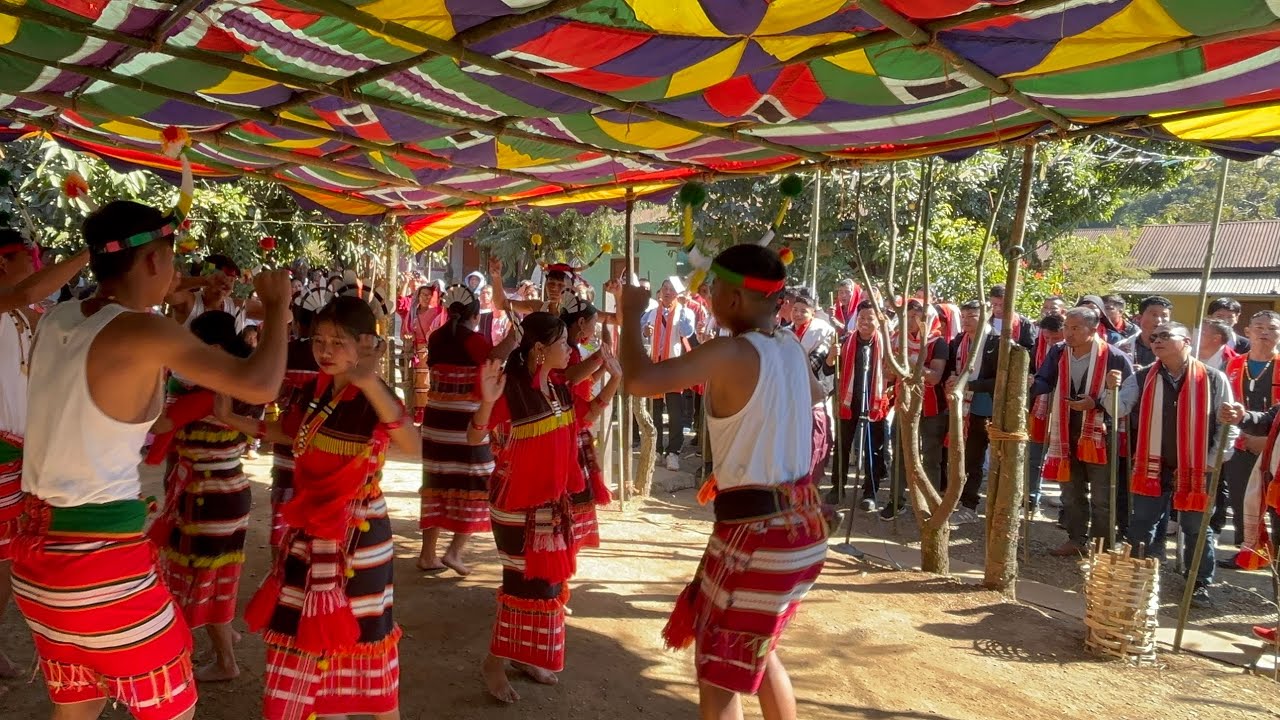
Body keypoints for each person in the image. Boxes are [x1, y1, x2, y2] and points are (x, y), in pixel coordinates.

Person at [13, 199, 292, 720]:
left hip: (39, 559)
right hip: (100, 564)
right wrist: (277, 308)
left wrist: (177, 306)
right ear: (151, 262)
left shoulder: (59, 318)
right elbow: (260, 383)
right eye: (170, 257)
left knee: (78, 704)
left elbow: (121, 347)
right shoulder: (144, 332)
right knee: (172, 706)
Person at [619, 243, 827, 720]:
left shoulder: (731, 351)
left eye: (713, 288)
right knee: (759, 649)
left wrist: (630, 316)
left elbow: (639, 380)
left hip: (760, 536)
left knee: (719, 672)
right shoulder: (792, 347)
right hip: (801, 527)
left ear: (732, 299)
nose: (707, 296)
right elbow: (809, 396)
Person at [224, 296, 417, 720]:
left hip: (357, 539)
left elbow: (413, 447)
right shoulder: (316, 389)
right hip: (310, 531)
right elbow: (291, 434)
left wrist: (368, 382)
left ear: (365, 343)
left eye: (338, 342)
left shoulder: (371, 395)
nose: (325, 351)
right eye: (319, 340)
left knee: (359, 633)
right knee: (306, 632)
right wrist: (233, 420)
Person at [468, 313, 612, 703]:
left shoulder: (559, 386)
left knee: (547, 589)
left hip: (551, 503)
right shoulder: (511, 390)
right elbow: (474, 434)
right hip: (516, 507)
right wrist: (486, 402)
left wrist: (613, 378)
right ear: (539, 351)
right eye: (563, 343)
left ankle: (524, 657)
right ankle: (493, 663)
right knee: (523, 588)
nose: (569, 349)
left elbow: (584, 419)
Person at [147, 311, 258, 683]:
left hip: (210, 498)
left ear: (211, 348)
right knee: (213, 579)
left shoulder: (207, 393)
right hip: (225, 493)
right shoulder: (237, 383)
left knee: (203, 581)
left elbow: (160, 426)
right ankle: (222, 649)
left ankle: (224, 659)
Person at [0, 230, 89, 680]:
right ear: (3, 263)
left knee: (4, 557)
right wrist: (97, 249)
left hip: (17, 455)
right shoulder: (9, 301)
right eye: (30, 258)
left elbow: (59, 324)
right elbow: (30, 290)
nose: (38, 265)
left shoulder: (24, 314)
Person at [1119, 321, 1236, 608]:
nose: (1156, 340)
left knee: (1196, 527)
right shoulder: (1143, 376)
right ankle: (1138, 576)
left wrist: (1212, 460)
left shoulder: (1213, 378)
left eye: (1165, 336)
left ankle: (1199, 584)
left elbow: (1227, 425)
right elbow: (1118, 408)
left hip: (1197, 466)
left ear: (1185, 341)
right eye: (1154, 336)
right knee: (1143, 522)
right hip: (1153, 464)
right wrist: (1111, 389)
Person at [1029, 307, 1133, 556]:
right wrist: (1031, 383)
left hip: (1099, 433)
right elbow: (1045, 379)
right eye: (1066, 327)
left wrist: (1096, 402)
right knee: (1070, 490)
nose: (1068, 333)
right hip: (1064, 428)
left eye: (1075, 328)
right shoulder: (1058, 351)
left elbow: (1128, 398)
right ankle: (1076, 538)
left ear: (1093, 329)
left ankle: (1102, 545)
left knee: (1101, 494)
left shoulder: (1115, 357)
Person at [418, 285, 495, 576]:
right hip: (466, 426)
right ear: (474, 316)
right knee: (477, 484)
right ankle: (454, 551)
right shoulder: (475, 341)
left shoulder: (437, 337)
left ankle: (427, 555)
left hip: (436, 423)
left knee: (435, 484)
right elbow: (494, 364)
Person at [560, 294, 622, 550]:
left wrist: (602, 367)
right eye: (594, 323)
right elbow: (576, 387)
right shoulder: (570, 351)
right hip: (568, 433)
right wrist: (611, 374)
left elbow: (582, 384)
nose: (595, 329)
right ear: (582, 323)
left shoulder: (568, 348)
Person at [1218, 310, 1280, 551]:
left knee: (1274, 503)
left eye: (1272, 328)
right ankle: (1248, 550)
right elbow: (1222, 402)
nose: (1265, 332)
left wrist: (1267, 440)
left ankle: (1274, 553)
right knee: (1241, 497)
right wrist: (1245, 433)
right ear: (1247, 331)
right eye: (1259, 327)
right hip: (1240, 442)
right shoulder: (1232, 364)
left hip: (1275, 446)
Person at [885, 298, 950, 518]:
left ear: (926, 319)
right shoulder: (897, 340)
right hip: (904, 403)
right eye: (907, 317)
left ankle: (930, 503)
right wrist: (891, 362)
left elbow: (934, 377)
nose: (911, 321)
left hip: (931, 407)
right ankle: (896, 500)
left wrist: (912, 361)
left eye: (915, 317)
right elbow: (889, 374)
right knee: (900, 453)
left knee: (931, 456)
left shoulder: (937, 343)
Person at [267, 298, 320, 551]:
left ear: (298, 324)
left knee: (283, 510)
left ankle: (277, 573)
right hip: (320, 448)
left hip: (286, 442)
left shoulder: (286, 353)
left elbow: (272, 394)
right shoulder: (334, 359)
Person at [943, 300, 1001, 525]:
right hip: (964, 407)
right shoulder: (959, 340)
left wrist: (969, 384)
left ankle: (987, 506)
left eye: (972, 316)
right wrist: (952, 380)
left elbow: (1000, 379)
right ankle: (965, 503)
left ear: (985, 316)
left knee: (990, 459)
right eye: (964, 316)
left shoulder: (996, 342)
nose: (966, 321)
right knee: (967, 457)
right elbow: (952, 368)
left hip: (988, 408)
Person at [829, 301, 890, 510]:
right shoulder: (845, 340)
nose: (864, 322)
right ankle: (837, 487)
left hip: (875, 402)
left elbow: (893, 372)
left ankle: (870, 493)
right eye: (861, 318)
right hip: (848, 401)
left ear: (878, 320)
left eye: (869, 318)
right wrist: (832, 355)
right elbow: (830, 370)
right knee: (842, 445)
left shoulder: (887, 344)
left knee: (874, 448)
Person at [641, 277, 697, 471]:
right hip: (655, 368)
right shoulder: (650, 313)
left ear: (678, 293)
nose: (667, 292)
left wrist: (680, 313)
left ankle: (673, 452)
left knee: (675, 413)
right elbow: (643, 333)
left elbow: (687, 332)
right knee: (655, 410)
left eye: (671, 289)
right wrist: (646, 331)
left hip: (674, 368)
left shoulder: (686, 312)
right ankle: (656, 449)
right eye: (664, 288)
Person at [1026, 313, 1065, 513]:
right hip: (1040, 408)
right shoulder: (1037, 348)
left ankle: (1066, 502)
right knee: (1034, 455)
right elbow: (1035, 372)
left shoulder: (1067, 350)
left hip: (1064, 410)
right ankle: (1031, 498)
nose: (1050, 342)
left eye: (1055, 338)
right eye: (1047, 338)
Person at [166, 254, 262, 331]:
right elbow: (166, 290)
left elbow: (273, 312)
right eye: (219, 280)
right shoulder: (190, 302)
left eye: (231, 281)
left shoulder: (237, 307)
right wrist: (203, 281)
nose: (225, 284)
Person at [408, 281, 446, 423]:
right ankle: (416, 411)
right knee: (415, 383)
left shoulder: (437, 312)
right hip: (414, 352)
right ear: (418, 295)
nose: (426, 298)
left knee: (426, 382)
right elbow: (405, 331)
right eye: (423, 294)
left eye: (429, 295)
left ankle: (426, 413)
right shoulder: (413, 312)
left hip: (429, 351)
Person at [1117, 295, 1173, 369]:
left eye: (1164, 315)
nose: (1159, 320)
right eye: (1154, 314)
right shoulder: (1121, 346)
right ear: (1139, 318)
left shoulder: (1175, 348)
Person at [988, 284, 1035, 351]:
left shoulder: (1024, 324)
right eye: (994, 305)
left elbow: (1030, 349)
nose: (998, 309)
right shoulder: (985, 321)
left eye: (1002, 305)